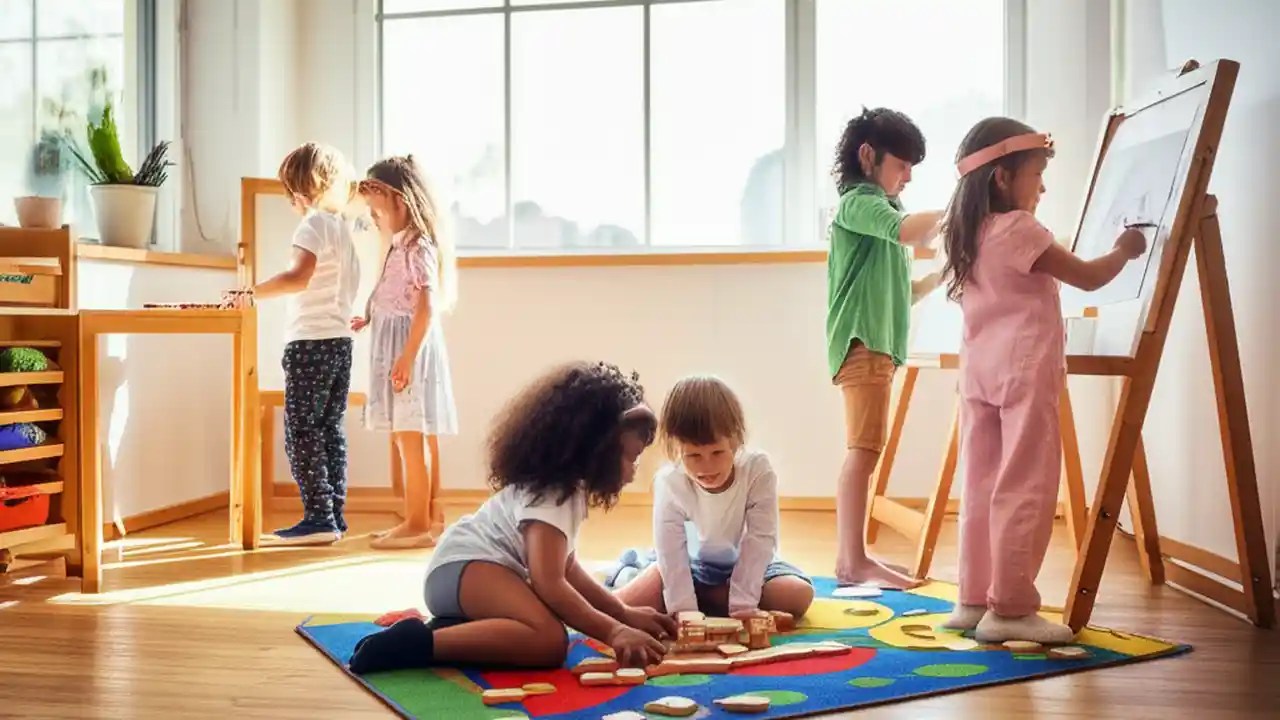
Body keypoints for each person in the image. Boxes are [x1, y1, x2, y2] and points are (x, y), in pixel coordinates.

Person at [939, 117, 1147, 643]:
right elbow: (1090, 276)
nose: (1044, 186)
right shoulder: (1020, 230)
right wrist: (1124, 249)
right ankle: (1009, 608)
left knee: (982, 484)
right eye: (1037, 174)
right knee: (1025, 486)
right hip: (1024, 374)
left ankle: (972, 598)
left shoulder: (967, 233)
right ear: (1003, 179)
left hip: (980, 375)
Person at [347, 362, 678, 673]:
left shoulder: (565, 491)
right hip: (463, 566)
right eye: (631, 457)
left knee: (549, 621)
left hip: (464, 572)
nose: (634, 469)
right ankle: (416, 643)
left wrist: (622, 612)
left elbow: (567, 568)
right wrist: (615, 631)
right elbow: (550, 582)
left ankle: (460, 629)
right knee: (548, 641)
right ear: (598, 448)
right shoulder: (553, 495)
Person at [826, 107, 943, 588]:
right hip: (863, 344)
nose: (908, 177)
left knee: (865, 449)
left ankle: (854, 558)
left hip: (876, 346)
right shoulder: (859, 202)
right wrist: (969, 206)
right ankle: (852, 561)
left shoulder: (885, 211)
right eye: (902, 165)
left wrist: (935, 280)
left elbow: (899, 289)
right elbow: (907, 230)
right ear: (869, 156)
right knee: (863, 451)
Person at [228, 142, 360, 546]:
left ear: (297, 192)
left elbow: (298, 277)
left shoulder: (312, 224)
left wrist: (250, 292)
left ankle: (318, 517)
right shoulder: (341, 228)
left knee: (301, 431)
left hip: (310, 344)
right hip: (339, 342)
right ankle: (333, 514)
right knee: (329, 431)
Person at [613, 376, 814, 621]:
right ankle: (688, 593)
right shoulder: (670, 482)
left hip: (749, 566)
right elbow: (671, 553)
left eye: (717, 452)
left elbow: (760, 540)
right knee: (620, 605)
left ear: (736, 441)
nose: (707, 466)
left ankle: (709, 599)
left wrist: (743, 605)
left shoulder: (757, 470)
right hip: (689, 565)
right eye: (694, 456)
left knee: (798, 594)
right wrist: (684, 610)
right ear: (676, 449)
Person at [354, 156, 458, 549]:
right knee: (414, 436)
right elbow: (396, 293)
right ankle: (428, 517)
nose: (374, 219)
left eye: (376, 210)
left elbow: (426, 304)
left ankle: (416, 524)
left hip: (409, 350)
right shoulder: (402, 244)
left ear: (398, 201)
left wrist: (407, 356)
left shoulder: (418, 245)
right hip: (400, 344)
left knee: (410, 437)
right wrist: (370, 316)